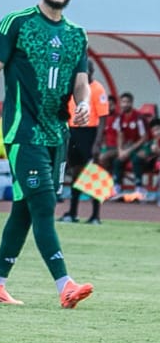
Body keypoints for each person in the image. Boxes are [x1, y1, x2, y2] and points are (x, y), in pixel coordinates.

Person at [0, 0, 95, 308]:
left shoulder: (77, 35)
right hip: (23, 132)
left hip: (57, 134)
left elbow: (81, 83)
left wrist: (83, 103)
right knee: (44, 204)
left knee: (24, 209)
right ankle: (65, 284)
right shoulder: (17, 23)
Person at [60, 61, 109, 225]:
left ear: (92, 71)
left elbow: (103, 118)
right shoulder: (74, 88)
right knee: (75, 173)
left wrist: (97, 143)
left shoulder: (97, 89)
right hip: (74, 132)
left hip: (89, 133)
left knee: (92, 174)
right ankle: (72, 212)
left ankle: (95, 215)